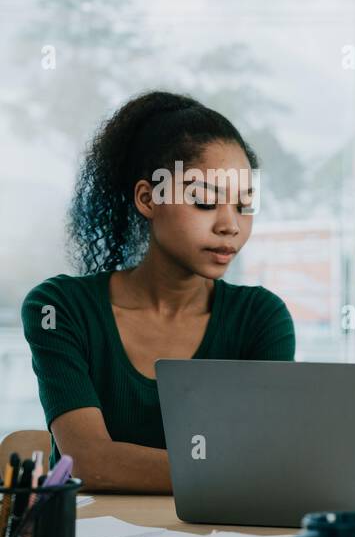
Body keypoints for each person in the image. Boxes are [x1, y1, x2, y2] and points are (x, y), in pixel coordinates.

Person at [21, 91, 294, 494]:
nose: (230, 226)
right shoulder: (60, 308)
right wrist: (229, 472)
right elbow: (89, 462)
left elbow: (263, 458)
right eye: (204, 200)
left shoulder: (261, 317)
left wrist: (247, 470)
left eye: (243, 206)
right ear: (148, 199)